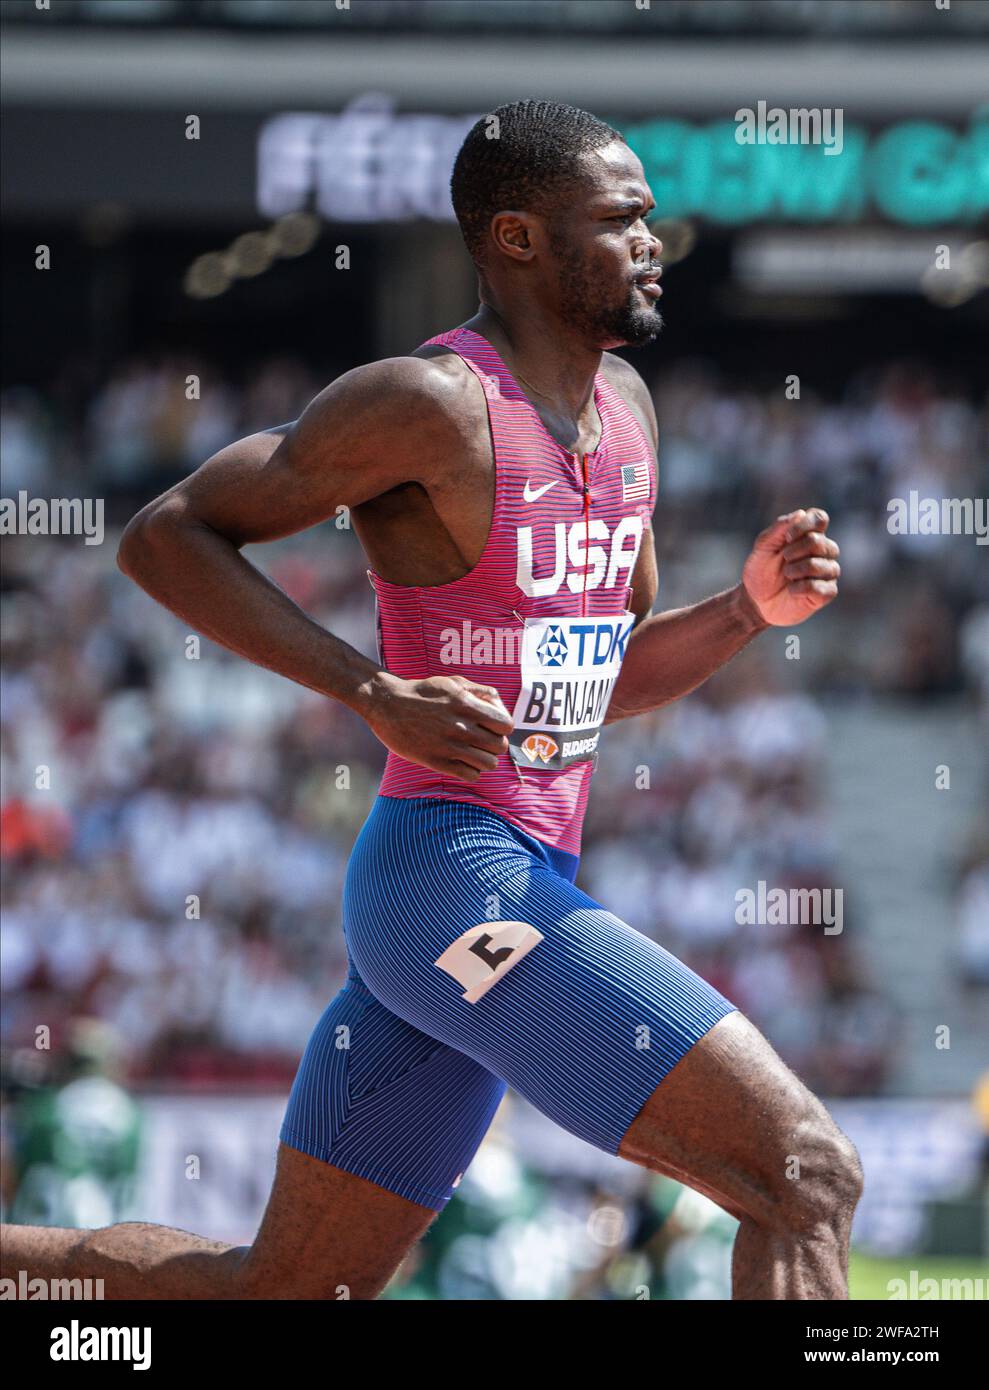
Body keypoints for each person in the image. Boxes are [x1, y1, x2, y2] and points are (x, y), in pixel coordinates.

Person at [1, 100, 858, 1301]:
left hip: (510, 888)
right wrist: (370, 690)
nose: (652, 241)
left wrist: (743, 613)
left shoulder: (629, 414)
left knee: (285, 1292)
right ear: (515, 237)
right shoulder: (432, 405)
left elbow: (600, 681)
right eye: (619, 221)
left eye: (649, 218)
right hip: (450, 878)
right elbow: (164, 538)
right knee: (803, 1169)